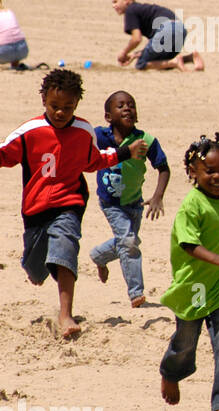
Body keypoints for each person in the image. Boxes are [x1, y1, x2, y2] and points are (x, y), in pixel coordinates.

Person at [0, 68, 148, 338]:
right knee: (35, 268)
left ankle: (65, 313)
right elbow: (4, 155)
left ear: (77, 104)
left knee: (66, 245)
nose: (61, 112)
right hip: (34, 209)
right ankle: (34, 264)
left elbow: (94, 162)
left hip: (70, 201)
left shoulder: (83, 131)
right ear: (44, 99)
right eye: (55, 106)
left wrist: (126, 152)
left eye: (68, 107)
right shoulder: (29, 131)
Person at [158, 133, 219, 411]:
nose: (218, 177)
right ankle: (170, 372)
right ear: (193, 172)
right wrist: (215, 258)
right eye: (210, 171)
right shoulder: (192, 204)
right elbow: (188, 243)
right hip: (194, 285)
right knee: (186, 342)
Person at [90, 91, 170, 307]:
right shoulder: (99, 136)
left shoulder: (147, 141)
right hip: (111, 203)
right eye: (121, 105)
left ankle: (99, 255)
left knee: (128, 242)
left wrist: (157, 196)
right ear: (108, 116)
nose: (127, 108)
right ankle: (136, 293)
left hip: (135, 203)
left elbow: (163, 168)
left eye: (131, 105)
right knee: (128, 242)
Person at [110, 0, 203, 71]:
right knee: (160, 62)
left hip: (166, 29)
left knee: (140, 64)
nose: (113, 6)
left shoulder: (130, 10)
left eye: (115, 2)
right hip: (180, 29)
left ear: (126, 0)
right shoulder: (143, 9)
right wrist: (135, 54)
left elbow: (136, 39)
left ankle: (175, 62)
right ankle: (190, 58)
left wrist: (124, 52)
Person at [0, 0, 32, 70]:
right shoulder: (9, 12)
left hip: (4, 53)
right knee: (11, 37)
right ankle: (15, 65)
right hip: (23, 50)